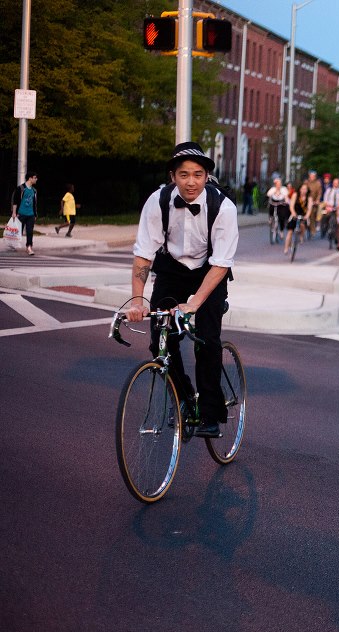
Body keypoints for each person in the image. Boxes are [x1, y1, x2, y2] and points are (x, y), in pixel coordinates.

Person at [125, 141, 239, 439]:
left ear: (206, 177)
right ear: (173, 175)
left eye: (198, 174)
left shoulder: (223, 207)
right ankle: (185, 398)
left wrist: (194, 305)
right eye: (184, 174)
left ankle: (211, 415)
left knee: (207, 339)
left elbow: (222, 263)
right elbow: (143, 255)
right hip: (172, 269)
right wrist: (138, 299)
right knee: (159, 340)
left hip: (210, 270)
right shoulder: (158, 201)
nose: (191, 182)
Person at [10, 171, 39, 255]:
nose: (36, 179)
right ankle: (13, 244)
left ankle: (29, 247)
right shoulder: (21, 188)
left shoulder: (34, 191)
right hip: (21, 213)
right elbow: (15, 201)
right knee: (18, 231)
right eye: (35, 178)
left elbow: (34, 203)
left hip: (30, 214)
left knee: (30, 231)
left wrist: (35, 214)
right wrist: (14, 213)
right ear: (30, 178)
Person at [284, 182, 312, 255]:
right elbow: (291, 206)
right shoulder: (295, 195)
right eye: (302, 189)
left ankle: (301, 236)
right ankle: (286, 248)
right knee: (290, 231)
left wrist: (307, 216)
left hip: (303, 215)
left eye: (305, 189)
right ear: (299, 189)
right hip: (295, 214)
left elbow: (309, 209)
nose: (303, 190)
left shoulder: (309, 198)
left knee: (302, 225)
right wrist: (293, 213)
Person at [304, 170, 323, 237]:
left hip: (314, 201)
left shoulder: (318, 183)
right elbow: (303, 190)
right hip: (306, 200)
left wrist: (317, 200)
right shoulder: (306, 182)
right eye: (311, 176)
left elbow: (319, 193)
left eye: (313, 176)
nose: (312, 177)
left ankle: (312, 229)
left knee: (312, 214)